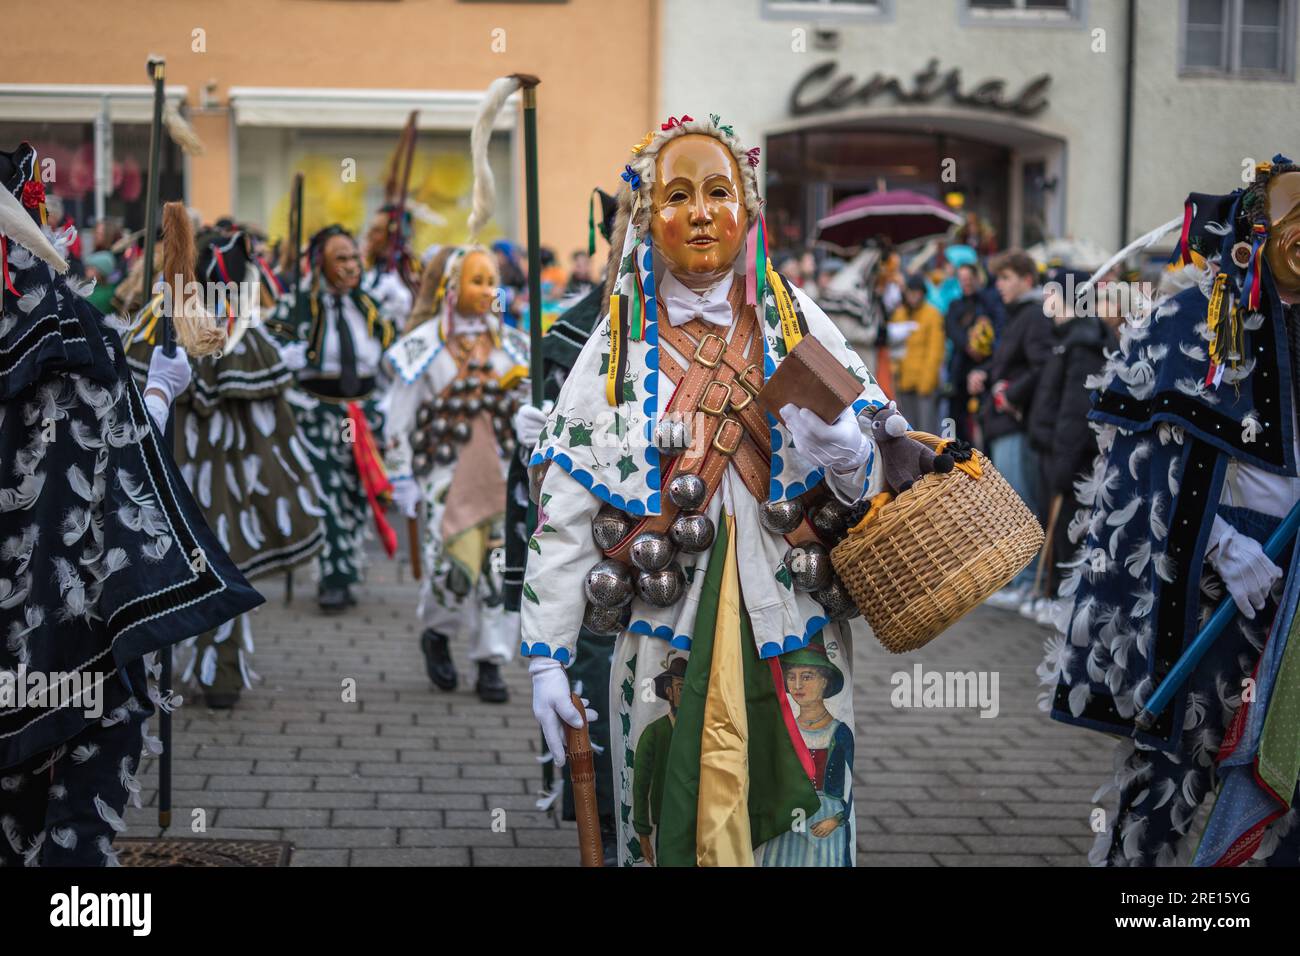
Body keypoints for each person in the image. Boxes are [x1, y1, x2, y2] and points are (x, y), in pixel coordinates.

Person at [522, 114, 893, 867]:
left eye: (719, 192)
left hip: (794, 617)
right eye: (677, 194)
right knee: (667, 809)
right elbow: (565, 511)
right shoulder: (615, 346)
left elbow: (882, 478)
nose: (699, 212)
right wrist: (546, 656)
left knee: (806, 818)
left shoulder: (799, 322)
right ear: (646, 217)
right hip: (667, 621)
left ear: (748, 211)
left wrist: (850, 455)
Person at [0, 143, 260, 865]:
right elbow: (108, 455)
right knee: (76, 804)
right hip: (69, 620)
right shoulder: (65, 327)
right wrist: (157, 395)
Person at [1039, 155, 1300, 866]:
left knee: (1291, 756)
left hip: (1295, 572)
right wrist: (1218, 543)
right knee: (1177, 761)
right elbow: (1139, 461)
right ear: (1253, 228)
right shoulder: (1191, 316)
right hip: (1210, 574)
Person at [123, 223, 327, 709]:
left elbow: (266, 415)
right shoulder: (162, 324)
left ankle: (221, 674)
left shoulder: (235, 331)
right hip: (176, 462)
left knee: (218, 556)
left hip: (227, 470)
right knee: (176, 556)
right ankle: (169, 668)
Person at [268, 225, 397, 613]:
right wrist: (282, 356)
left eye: (354, 257)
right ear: (320, 263)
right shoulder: (296, 304)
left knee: (357, 496)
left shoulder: (370, 305)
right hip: (317, 413)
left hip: (364, 416)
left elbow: (394, 354)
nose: (351, 266)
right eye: (340, 259)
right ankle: (333, 580)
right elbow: (268, 347)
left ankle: (347, 568)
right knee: (326, 494)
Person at [974, 250, 1052, 610]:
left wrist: (1009, 393)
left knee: (1021, 504)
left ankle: (1028, 583)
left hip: (1017, 425)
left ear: (1026, 278)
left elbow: (1042, 366)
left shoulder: (1034, 315)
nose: (999, 285)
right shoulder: (1018, 315)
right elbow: (1013, 363)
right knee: (1012, 503)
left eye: (1006, 278)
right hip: (1004, 423)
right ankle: (1018, 580)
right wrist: (987, 375)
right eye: (998, 278)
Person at [943, 260, 997, 444]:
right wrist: (969, 344)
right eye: (962, 278)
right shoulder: (955, 305)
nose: (965, 282)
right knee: (955, 417)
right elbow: (951, 329)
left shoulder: (987, 302)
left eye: (968, 278)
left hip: (981, 366)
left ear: (975, 278)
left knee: (980, 416)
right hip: (959, 368)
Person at [889, 275, 945, 436]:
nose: (913, 296)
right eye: (910, 292)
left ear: (923, 293)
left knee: (927, 431)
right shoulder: (899, 314)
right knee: (907, 432)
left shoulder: (932, 314)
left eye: (917, 292)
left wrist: (926, 382)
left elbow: (935, 350)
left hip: (923, 385)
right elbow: (894, 350)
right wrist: (895, 377)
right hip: (903, 383)